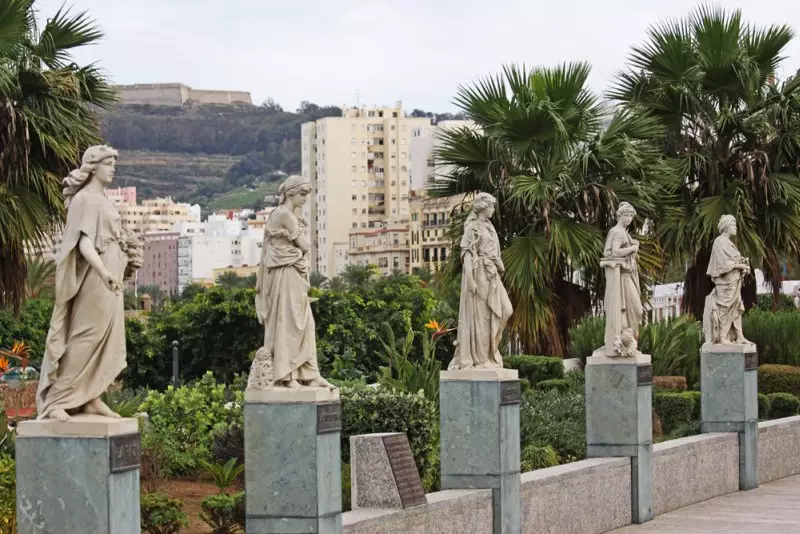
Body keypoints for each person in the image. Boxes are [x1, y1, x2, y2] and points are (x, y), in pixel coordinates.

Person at [37, 145, 142, 420]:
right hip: (97, 279)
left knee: (105, 338)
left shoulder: (105, 201)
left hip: (112, 280)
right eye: (108, 164)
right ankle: (57, 399)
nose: (112, 170)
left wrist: (127, 258)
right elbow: (83, 243)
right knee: (86, 336)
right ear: (94, 166)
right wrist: (104, 271)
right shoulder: (84, 200)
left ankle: (90, 396)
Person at [253, 175, 334, 389]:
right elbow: (306, 245)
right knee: (288, 323)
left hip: (294, 272)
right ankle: (286, 375)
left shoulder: (291, 217)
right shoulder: (283, 215)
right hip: (285, 274)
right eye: (302, 194)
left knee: (306, 324)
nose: (305, 199)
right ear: (290, 194)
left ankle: (310, 373)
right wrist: (300, 236)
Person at [448, 192, 513, 370]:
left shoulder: (490, 227)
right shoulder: (472, 228)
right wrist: (471, 281)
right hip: (480, 274)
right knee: (483, 317)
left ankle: (492, 352)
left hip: (492, 274)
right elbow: (467, 256)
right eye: (491, 206)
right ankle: (482, 358)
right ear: (484, 208)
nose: (493, 210)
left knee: (506, 310)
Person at [703, 215, 751, 345]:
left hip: (734, 281)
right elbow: (722, 265)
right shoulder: (719, 242)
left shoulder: (729, 243)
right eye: (733, 224)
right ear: (725, 227)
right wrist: (739, 265)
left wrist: (743, 265)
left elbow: (732, 261)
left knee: (736, 306)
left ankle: (739, 335)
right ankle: (722, 336)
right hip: (725, 282)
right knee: (725, 306)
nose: (735, 227)